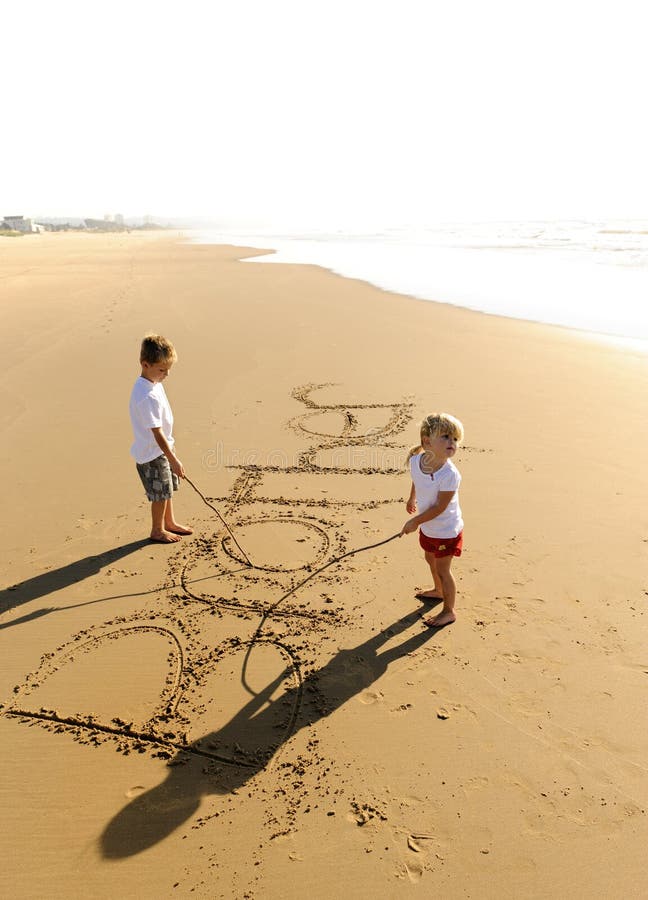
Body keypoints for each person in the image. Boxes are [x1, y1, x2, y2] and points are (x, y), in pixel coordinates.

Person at [401, 413, 464, 627]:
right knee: (430, 558)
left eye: (455, 439)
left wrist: (415, 521)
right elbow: (417, 480)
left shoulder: (450, 475)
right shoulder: (417, 461)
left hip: (446, 529)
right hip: (428, 526)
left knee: (443, 568)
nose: (452, 443)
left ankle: (449, 611)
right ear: (427, 441)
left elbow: (440, 507)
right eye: (445, 437)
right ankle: (438, 591)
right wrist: (412, 498)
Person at [129, 334, 192, 544]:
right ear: (145, 365)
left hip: (162, 449)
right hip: (152, 453)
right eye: (162, 370)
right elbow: (156, 433)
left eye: (168, 369)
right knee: (160, 493)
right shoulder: (145, 396)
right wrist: (173, 459)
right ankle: (157, 530)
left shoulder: (153, 383)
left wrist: (171, 453)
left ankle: (170, 522)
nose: (166, 374)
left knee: (167, 488)